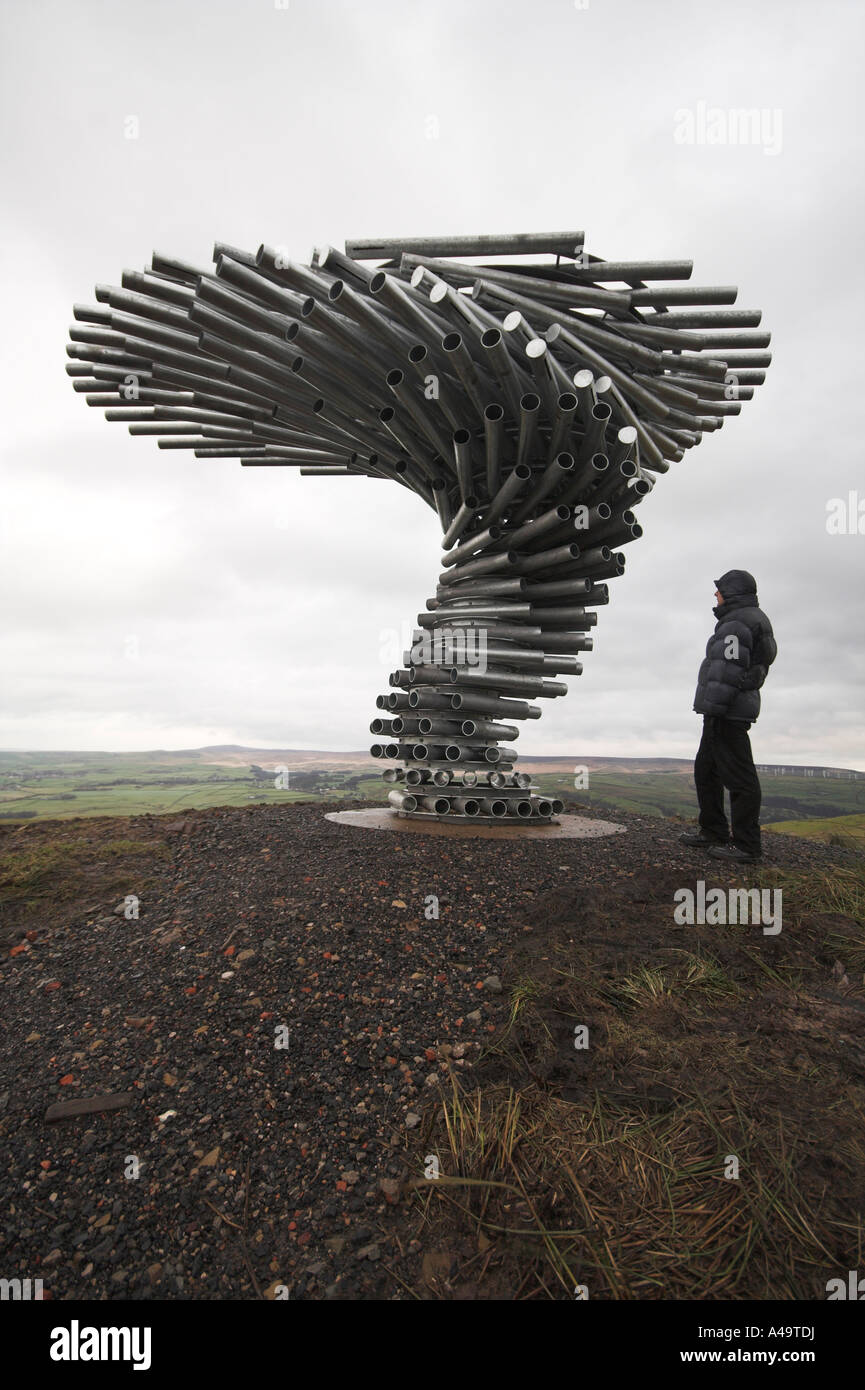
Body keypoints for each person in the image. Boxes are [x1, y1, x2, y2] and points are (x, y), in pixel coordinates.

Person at [680, 569, 777, 864]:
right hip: (723, 709)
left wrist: (716, 707)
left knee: (739, 777)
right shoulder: (744, 618)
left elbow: (729, 667)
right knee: (706, 771)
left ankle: (747, 845)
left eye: (720, 589)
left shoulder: (737, 622)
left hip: (726, 711)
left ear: (732, 592)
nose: (715, 595)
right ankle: (713, 830)